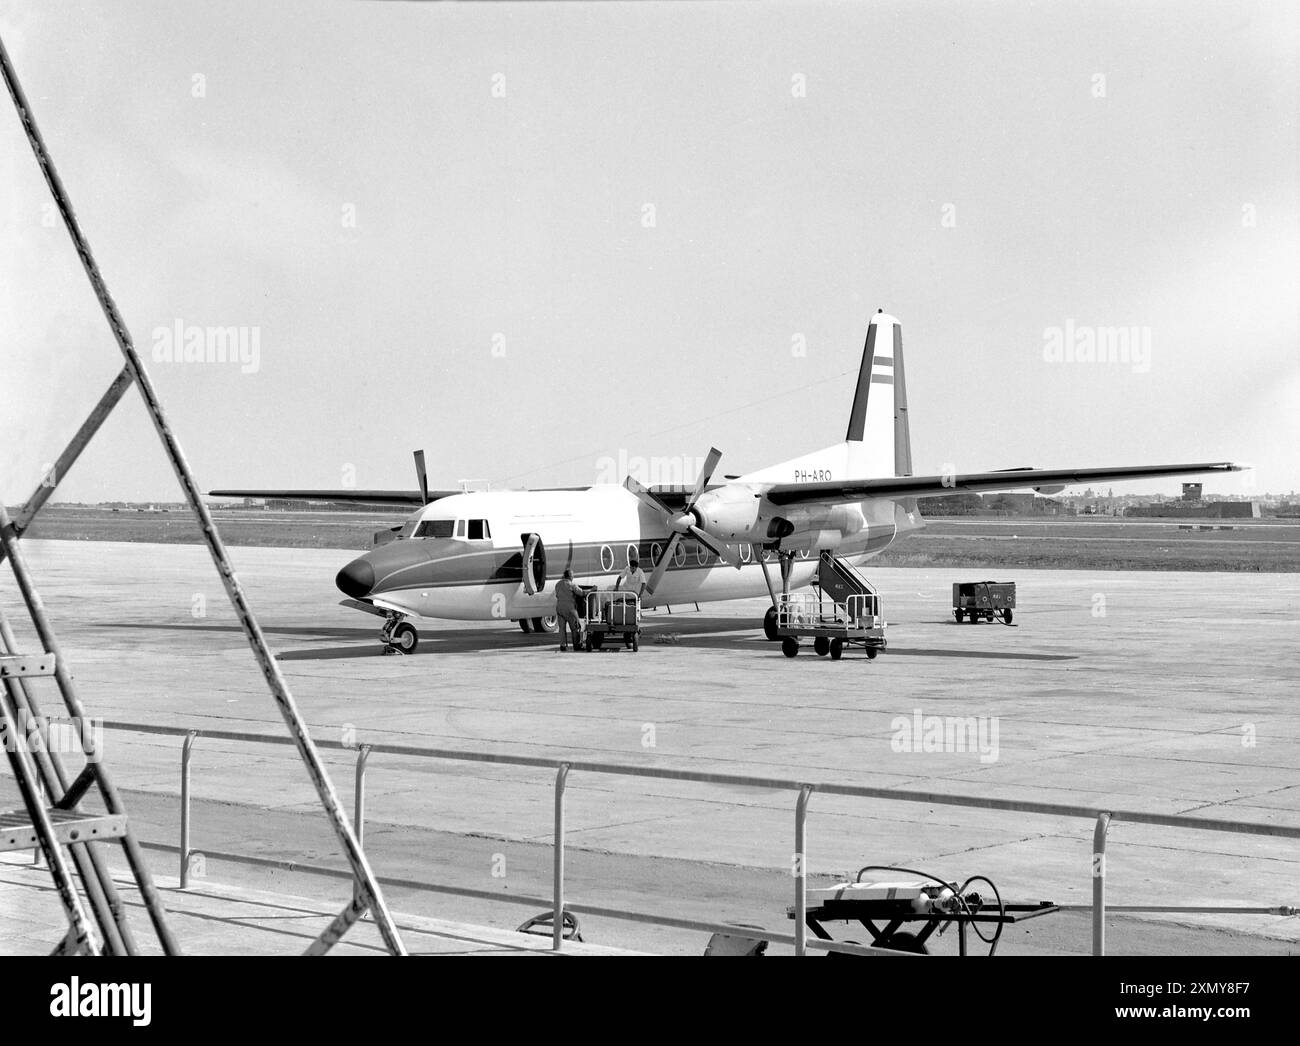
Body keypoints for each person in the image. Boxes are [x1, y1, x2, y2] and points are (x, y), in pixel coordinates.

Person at [554, 568, 585, 652]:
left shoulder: (557, 584)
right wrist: (592, 590)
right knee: (575, 627)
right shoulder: (571, 585)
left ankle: (563, 646)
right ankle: (576, 645)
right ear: (570, 576)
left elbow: (557, 595)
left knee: (562, 628)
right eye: (573, 575)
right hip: (570, 609)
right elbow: (581, 593)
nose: (573, 577)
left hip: (559, 608)